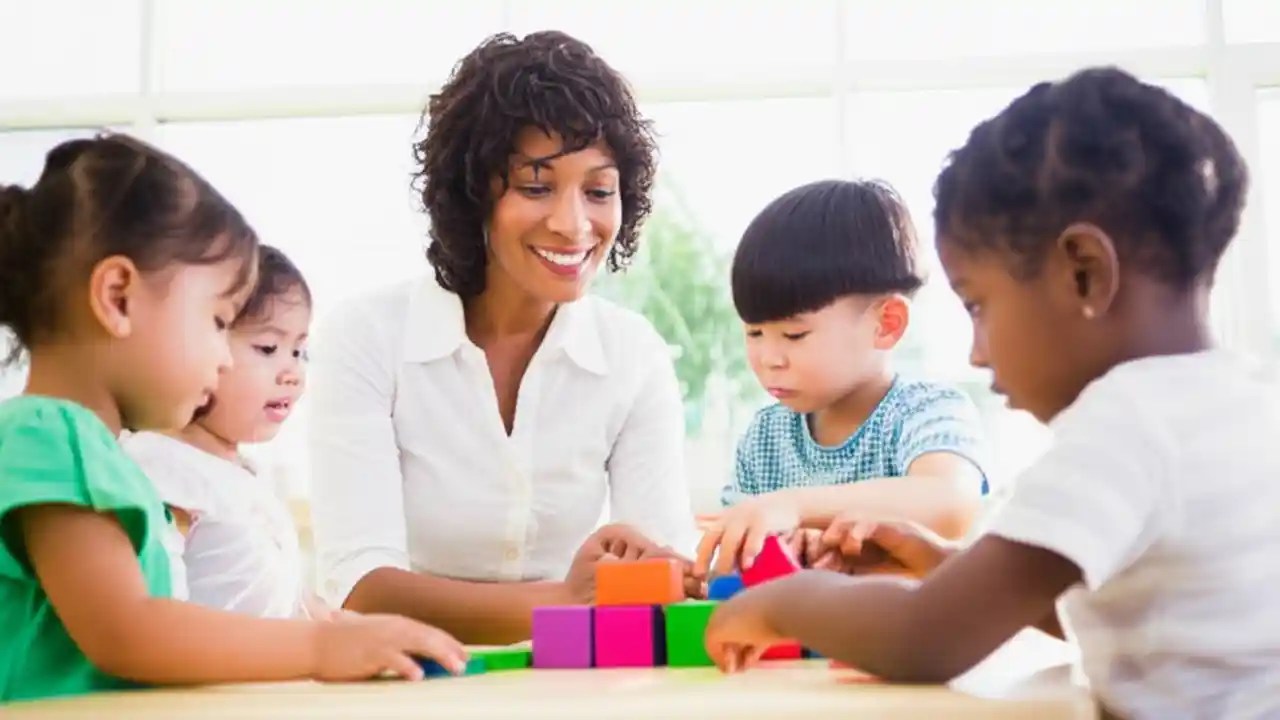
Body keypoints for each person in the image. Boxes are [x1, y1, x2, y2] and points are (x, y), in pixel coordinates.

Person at [702, 67, 1280, 719]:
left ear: (1084, 274)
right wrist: (949, 566)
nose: (977, 351)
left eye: (978, 305)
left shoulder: (1126, 426)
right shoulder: (1236, 405)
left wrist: (782, 602)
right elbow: (1149, 623)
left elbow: (922, 639)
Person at [0, 134, 466, 701]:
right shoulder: (50, 435)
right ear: (118, 298)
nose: (223, 356)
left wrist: (340, 631)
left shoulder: (94, 453)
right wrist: (319, 650)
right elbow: (128, 631)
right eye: (218, 321)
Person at [307, 31, 698, 645]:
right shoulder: (366, 337)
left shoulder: (632, 354)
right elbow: (360, 585)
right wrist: (567, 602)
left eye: (598, 191)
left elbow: (667, 560)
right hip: (405, 673)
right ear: (472, 194)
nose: (573, 225)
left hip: (578, 674)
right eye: (536, 186)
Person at [696, 180, 988, 576]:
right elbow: (728, 560)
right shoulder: (766, 437)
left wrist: (794, 507)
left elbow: (949, 503)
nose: (768, 358)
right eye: (754, 333)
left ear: (886, 324)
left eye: (794, 335)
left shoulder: (926, 411)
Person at [126, 245, 326, 619]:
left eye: (299, 352)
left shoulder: (245, 473)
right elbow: (153, 615)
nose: (292, 372)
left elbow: (290, 604)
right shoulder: (164, 467)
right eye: (268, 348)